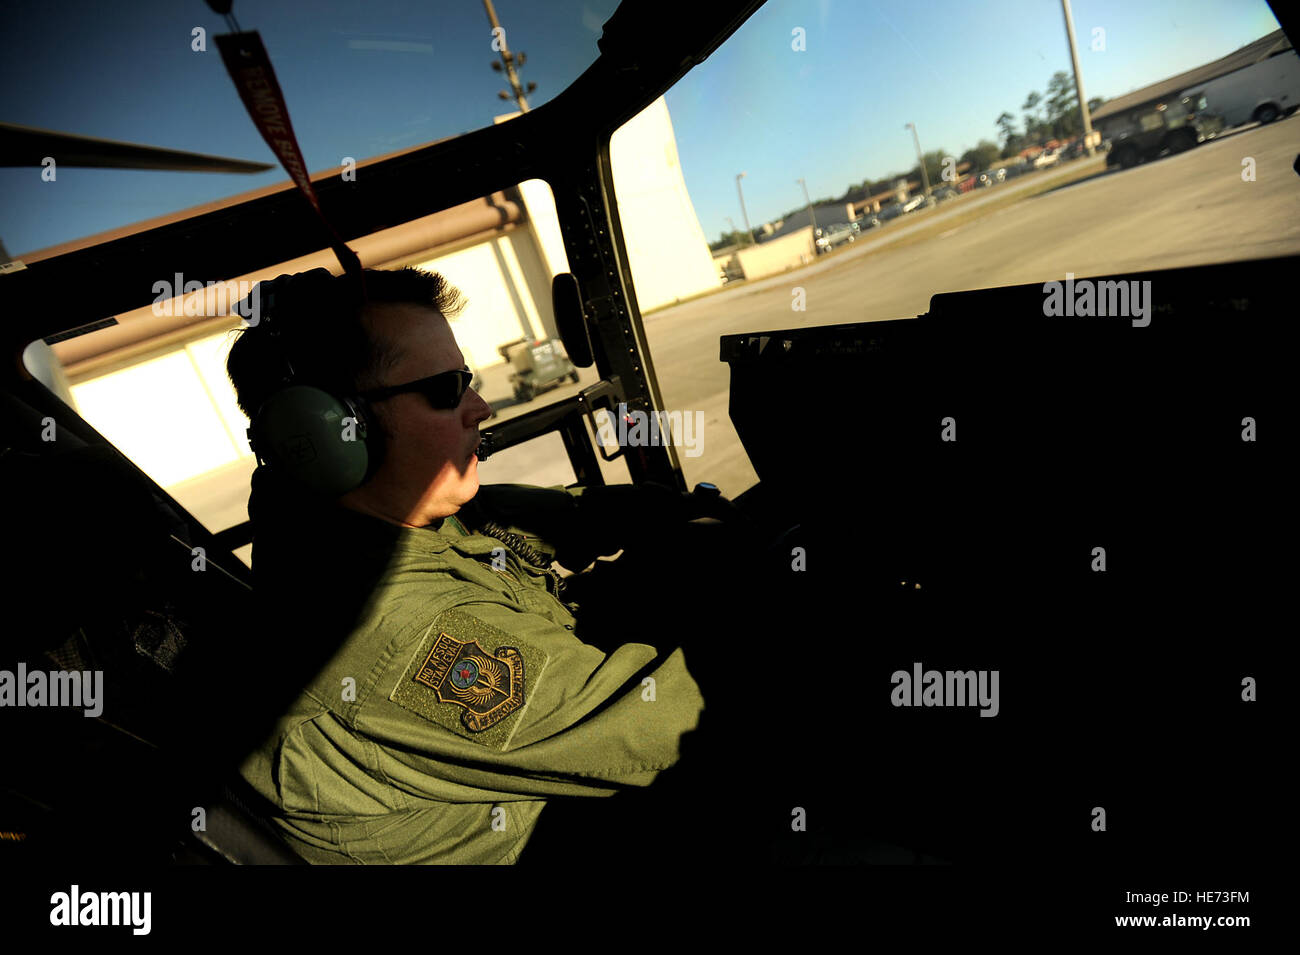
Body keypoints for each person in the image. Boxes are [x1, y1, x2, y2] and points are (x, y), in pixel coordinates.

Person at [223, 266, 735, 864]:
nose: (481, 407)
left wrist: (684, 516)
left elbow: (561, 519)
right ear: (333, 432)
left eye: (467, 380)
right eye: (446, 389)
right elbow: (667, 725)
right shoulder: (387, 625)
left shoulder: (403, 515)